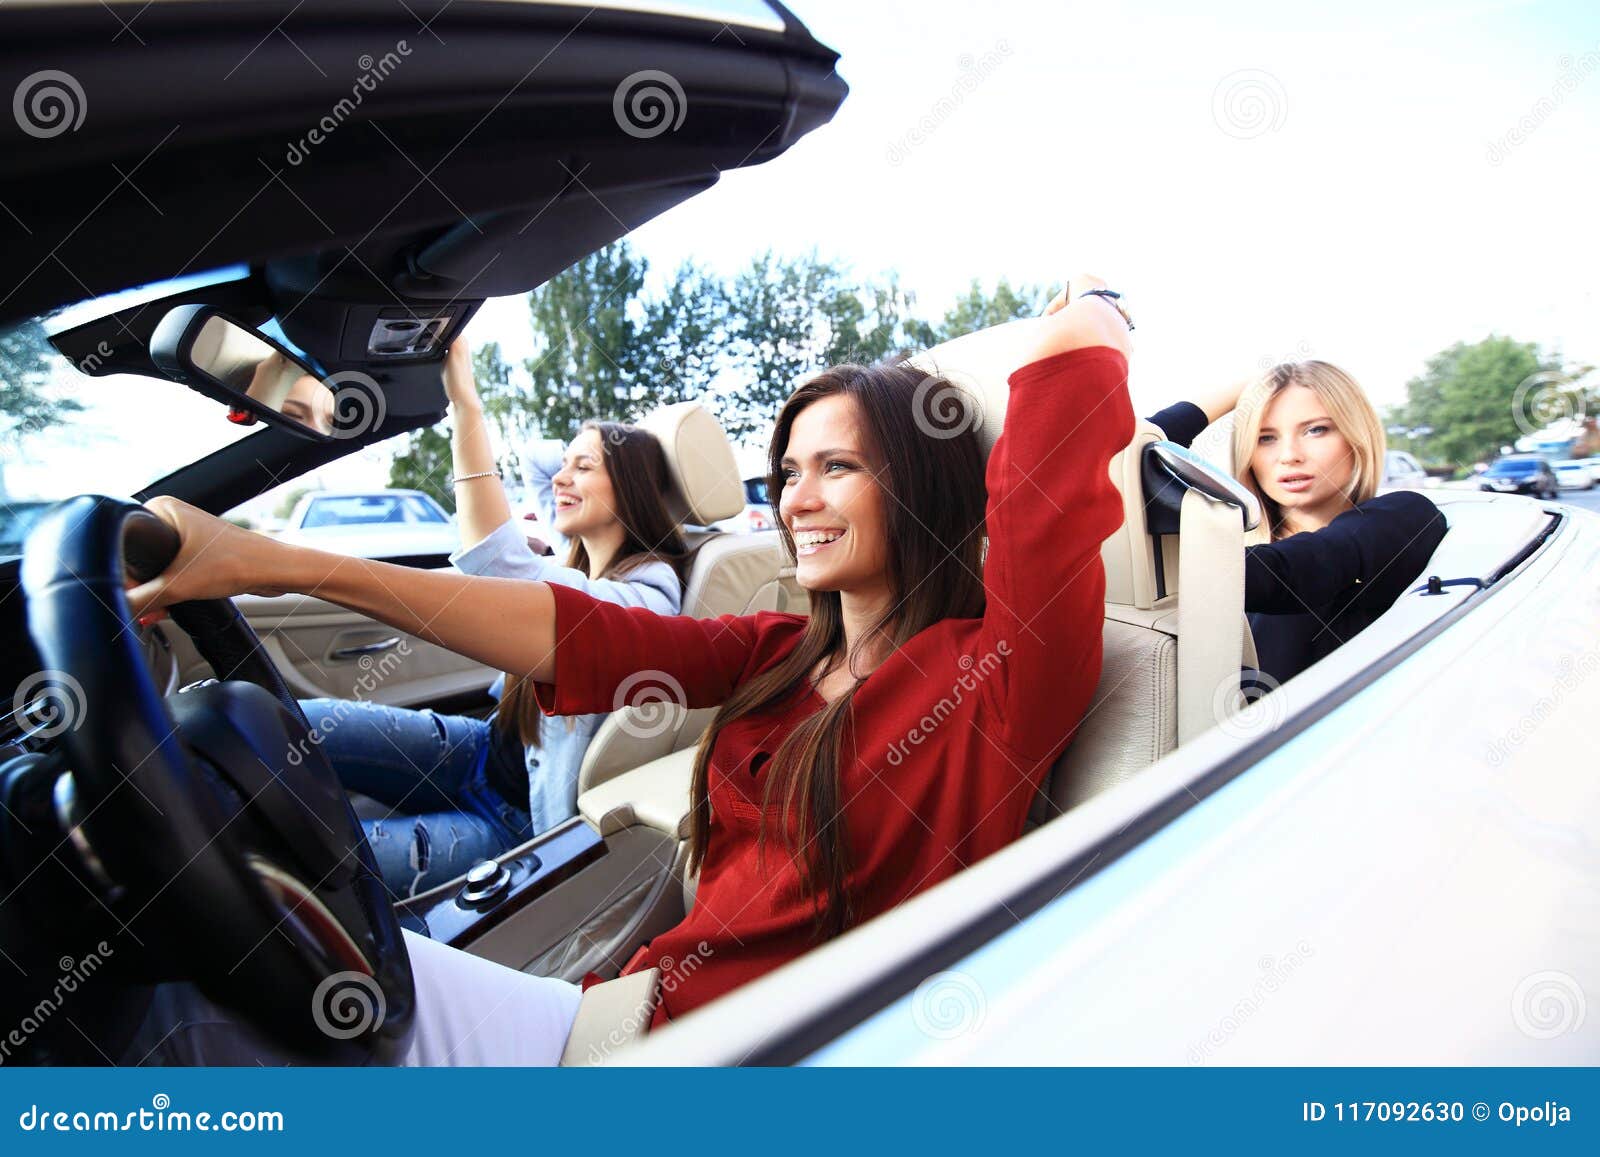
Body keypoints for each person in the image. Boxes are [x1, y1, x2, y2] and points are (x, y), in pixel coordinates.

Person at [122, 275, 1135, 1065]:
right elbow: (568, 635)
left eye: (840, 465)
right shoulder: (778, 654)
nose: (797, 498)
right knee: (199, 979)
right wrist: (268, 560)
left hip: (710, 1057)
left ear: (919, 483)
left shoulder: (993, 673)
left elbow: (1063, 409)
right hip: (627, 1010)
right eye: (788, 470)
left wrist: (1094, 300)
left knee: (187, 1009)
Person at [299, 338, 689, 897]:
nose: (559, 478)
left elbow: (491, 556)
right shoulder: (574, 558)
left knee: (311, 856)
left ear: (629, 493)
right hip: (480, 749)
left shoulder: (648, 598)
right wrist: (597, 447)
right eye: (567, 464)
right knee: (296, 725)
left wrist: (465, 402)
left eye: (583, 468)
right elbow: (535, 459)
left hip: (515, 820)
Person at [1147, 360, 1448, 684]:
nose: (1289, 455)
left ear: (1355, 436)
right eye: (1265, 437)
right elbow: (1120, 462)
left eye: (1315, 430)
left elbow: (1306, 565)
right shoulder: (1237, 549)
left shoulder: (1403, 515)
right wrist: (1247, 386)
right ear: (1247, 450)